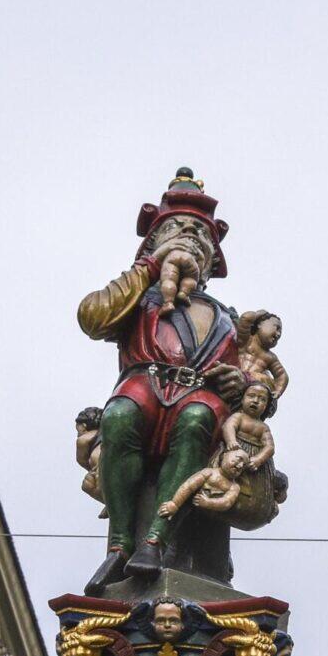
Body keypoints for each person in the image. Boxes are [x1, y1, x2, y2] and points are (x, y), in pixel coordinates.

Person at [76, 169, 247, 591]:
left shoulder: (226, 316)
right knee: (120, 415)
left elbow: (249, 377)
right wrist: (150, 266)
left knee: (196, 421)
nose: (190, 236)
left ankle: (155, 540)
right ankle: (119, 546)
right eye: (177, 228)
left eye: (200, 234)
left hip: (199, 392)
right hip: (146, 378)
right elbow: (93, 317)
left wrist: (239, 383)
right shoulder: (141, 297)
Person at [158, 448, 249, 518]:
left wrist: (208, 503)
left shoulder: (234, 487)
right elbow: (189, 486)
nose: (240, 465)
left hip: (211, 518)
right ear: (225, 455)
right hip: (190, 508)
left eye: (244, 466)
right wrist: (175, 503)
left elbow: (227, 502)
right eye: (239, 459)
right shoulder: (208, 472)